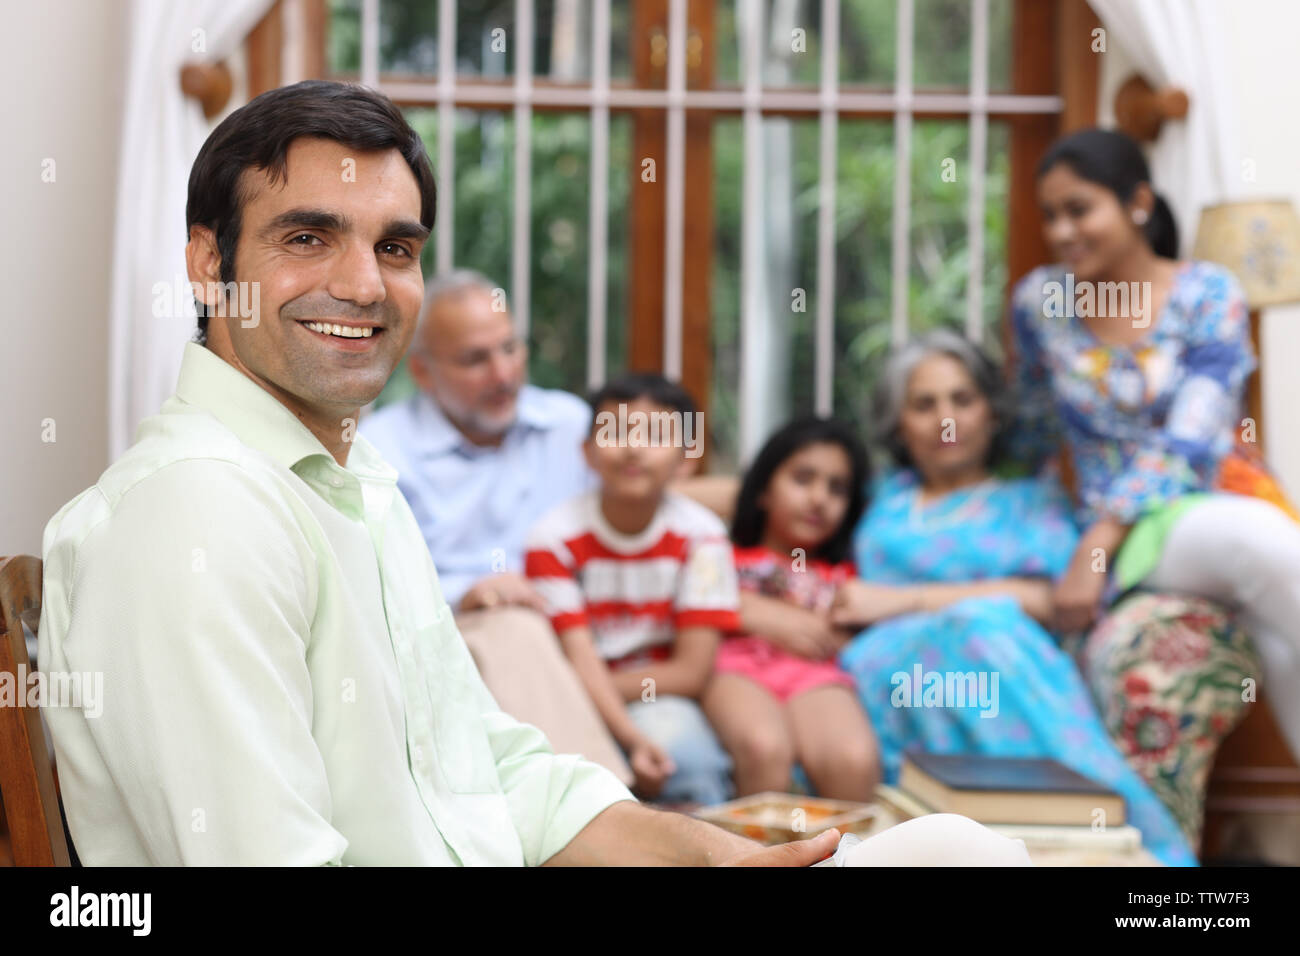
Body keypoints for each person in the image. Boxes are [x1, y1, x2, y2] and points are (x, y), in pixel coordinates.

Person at [36, 78, 911, 866]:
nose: (365, 286)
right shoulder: (196, 510)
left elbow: (490, 769)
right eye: (308, 237)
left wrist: (705, 855)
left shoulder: (357, 482)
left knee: (948, 848)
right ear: (207, 263)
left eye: (396, 248)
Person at [830, 330, 1197, 866]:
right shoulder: (878, 499)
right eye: (923, 404)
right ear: (898, 424)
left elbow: (1053, 600)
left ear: (992, 413)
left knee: (979, 627)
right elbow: (764, 493)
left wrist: (904, 601)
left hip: (997, 666)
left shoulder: (1028, 500)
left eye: (963, 399)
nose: (945, 419)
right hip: (887, 685)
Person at [1009, 127, 1300, 763]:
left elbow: (1192, 441)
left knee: (1284, 642)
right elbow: (1027, 428)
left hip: (1206, 496)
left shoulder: (1209, 293)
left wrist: (1097, 541)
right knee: (1270, 548)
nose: (1062, 231)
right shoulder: (1040, 304)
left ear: (1137, 202)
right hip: (1140, 535)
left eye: (1079, 209)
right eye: (1050, 216)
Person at [360, 270, 631, 783]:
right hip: (461, 629)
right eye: (474, 359)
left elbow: (642, 502)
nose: (503, 373)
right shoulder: (382, 450)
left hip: (578, 630)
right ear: (421, 371)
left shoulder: (570, 425)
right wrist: (470, 591)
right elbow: (375, 576)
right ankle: (602, 822)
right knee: (514, 627)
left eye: (510, 349)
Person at [525, 374, 739, 806]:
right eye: (614, 431)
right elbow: (576, 654)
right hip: (568, 695)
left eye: (657, 435)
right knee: (556, 781)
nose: (633, 447)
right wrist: (631, 737)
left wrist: (593, 689)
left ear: (686, 460)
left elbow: (692, 672)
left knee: (690, 765)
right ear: (586, 452)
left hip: (655, 693)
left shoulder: (703, 537)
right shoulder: (552, 538)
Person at [704, 417, 881, 801]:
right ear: (763, 490)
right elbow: (686, 610)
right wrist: (749, 611)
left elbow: (849, 630)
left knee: (853, 758)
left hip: (811, 672)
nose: (819, 498)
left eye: (837, 488)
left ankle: (845, 857)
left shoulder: (845, 575)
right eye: (803, 479)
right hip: (732, 667)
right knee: (764, 746)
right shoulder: (719, 556)